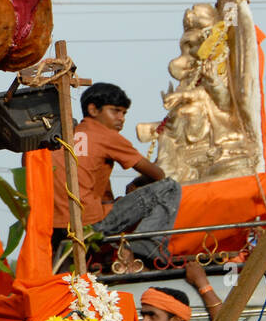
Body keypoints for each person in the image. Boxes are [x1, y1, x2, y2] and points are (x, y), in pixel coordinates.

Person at [51, 82, 180, 272]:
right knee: (170, 187)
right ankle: (146, 251)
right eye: (115, 111)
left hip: (57, 225)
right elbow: (158, 174)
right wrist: (138, 182)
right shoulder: (104, 134)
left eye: (124, 113)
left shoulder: (61, 139)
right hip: (89, 223)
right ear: (93, 110)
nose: (121, 118)